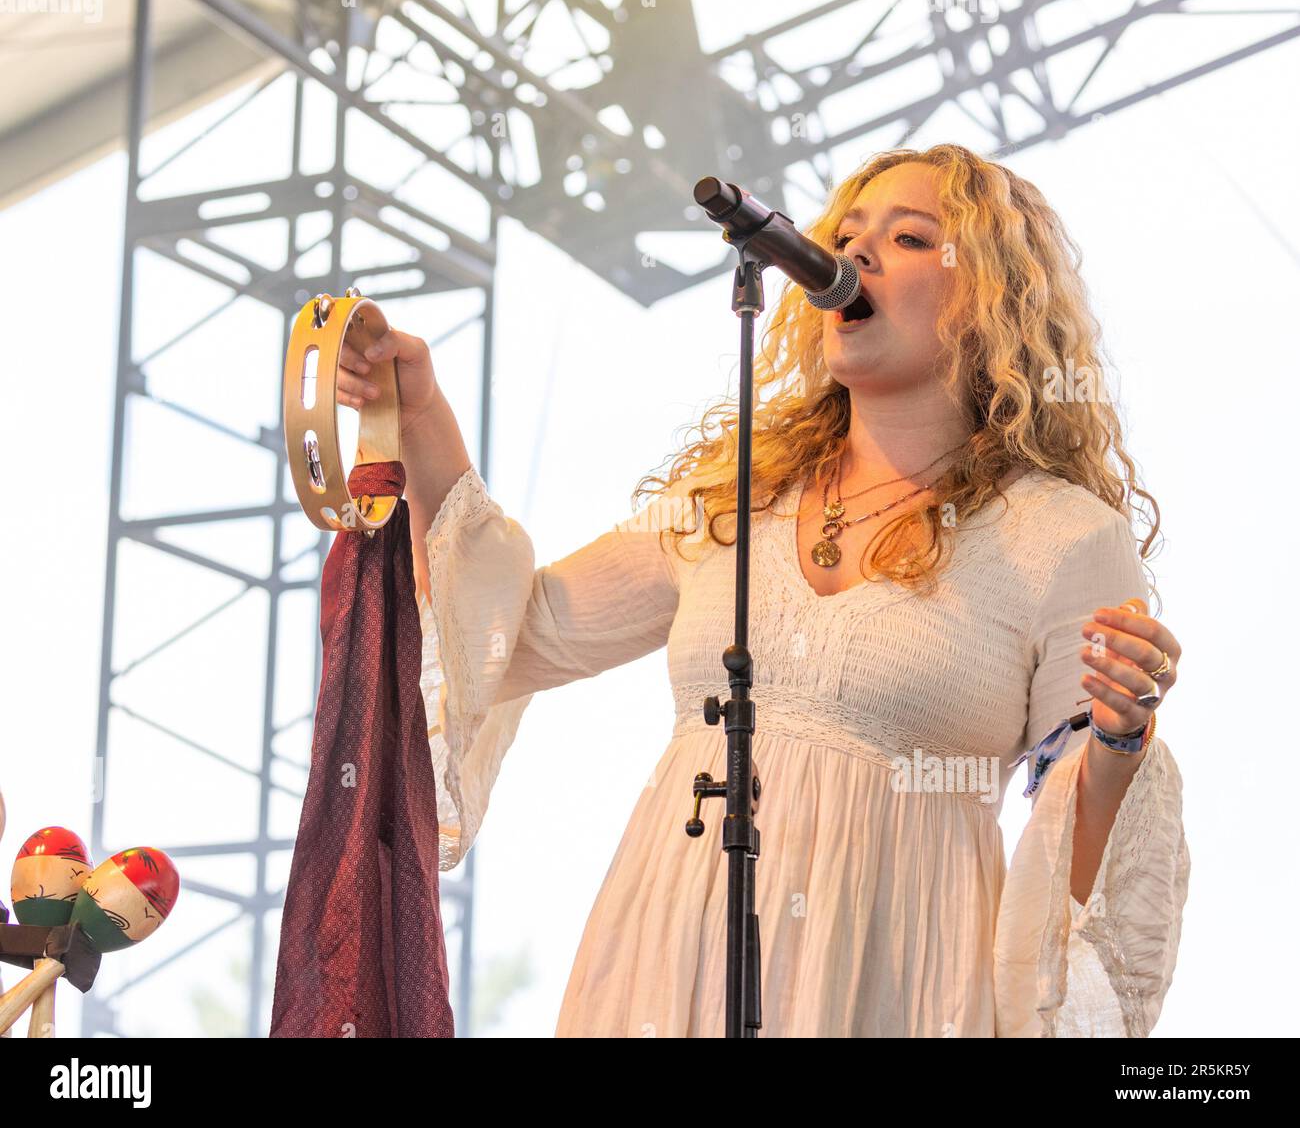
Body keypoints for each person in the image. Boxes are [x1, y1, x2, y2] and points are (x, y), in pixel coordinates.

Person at [333, 143, 1189, 1037]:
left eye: (907, 237)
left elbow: (1078, 891)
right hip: (666, 967)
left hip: (891, 986)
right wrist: (422, 413)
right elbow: (516, 633)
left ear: (993, 301)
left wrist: (1121, 741)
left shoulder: (1061, 536)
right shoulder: (737, 493)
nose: (856, 255)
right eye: (847, 234)